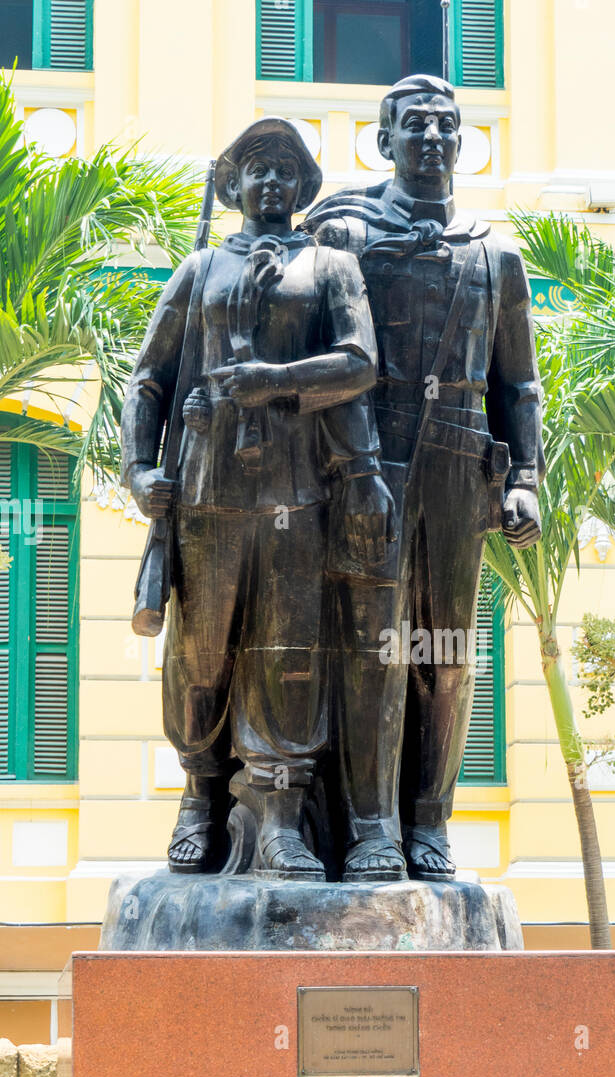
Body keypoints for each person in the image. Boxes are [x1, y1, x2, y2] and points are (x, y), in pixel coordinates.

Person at [122, 117, 392, 880]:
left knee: (288, 656)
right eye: (255, 169)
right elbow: (148, 380)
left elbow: (359, 361)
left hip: (297, 491)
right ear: (233, 185)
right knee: (200, 654)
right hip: (206, 492)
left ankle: (280, 819)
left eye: (285, 169)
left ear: (303, 186)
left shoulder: (331, 266)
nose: (271, 181)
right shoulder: (200, 268)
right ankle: (200, 799)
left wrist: (273, 382)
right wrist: (141, 471)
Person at [305, 74, 544, 883]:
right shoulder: (348, 234)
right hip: (366, 458)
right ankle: (370, 827)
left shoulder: (494, 250)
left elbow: (520, 384)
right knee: (372, 648)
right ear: (386, 143)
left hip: (458, 466)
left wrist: (528, 480)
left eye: (448, 126)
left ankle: (429, 821)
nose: (434, 139)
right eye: (416, 126)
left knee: (443, 651)